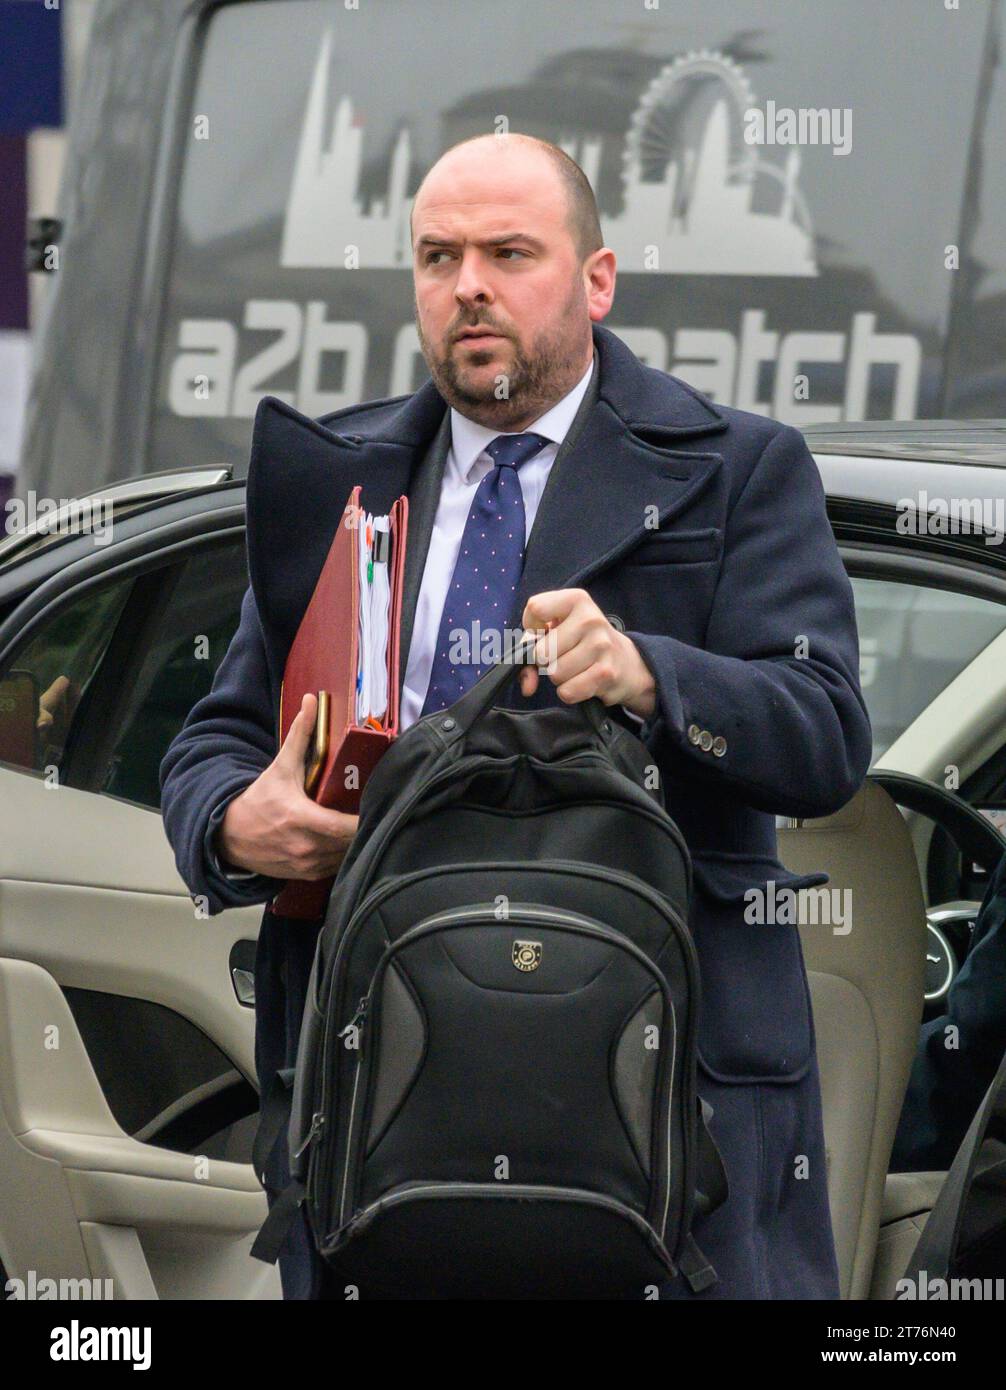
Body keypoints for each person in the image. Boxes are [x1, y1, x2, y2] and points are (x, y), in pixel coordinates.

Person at [159, 132, 872, 1299]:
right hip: (383, 1113)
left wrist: (651, 672)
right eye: (437, 257)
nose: (468, 286)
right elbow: (215, 743)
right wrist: (238, 825)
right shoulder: (344, 479)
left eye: (507, 252)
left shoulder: (733, 468)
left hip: (655, 1128)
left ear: (595, 280)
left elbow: (826, 732)